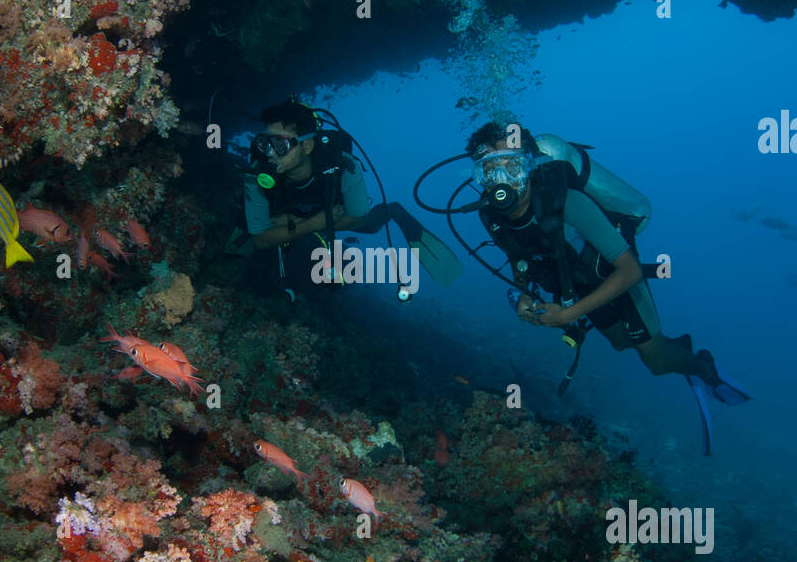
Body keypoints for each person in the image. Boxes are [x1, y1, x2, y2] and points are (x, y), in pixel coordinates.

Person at [467, 122, 749, 413]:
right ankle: (670, 343)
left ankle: (699, 364)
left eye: (511, 167)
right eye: (489, 170)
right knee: (619, 342)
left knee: (656, 363)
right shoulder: (490, 215)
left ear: (529, 166)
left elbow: (630, 271)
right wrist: (524, 292)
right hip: (579, 277)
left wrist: (568, 313)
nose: (502, 180)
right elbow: (518, 255)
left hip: (612, 270)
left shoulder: (566, 202)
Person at [242, 100, 461, 298]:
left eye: (280, 145)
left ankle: (395, 212)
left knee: (372, 225)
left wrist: (298, 223)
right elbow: (260, 240)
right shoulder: (256, 176)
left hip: (338, 214)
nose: (269, 153)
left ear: (307, 146)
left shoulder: (344, 166)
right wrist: (313, 224)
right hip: (318, 218)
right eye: (264, 143)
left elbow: (357, 219)